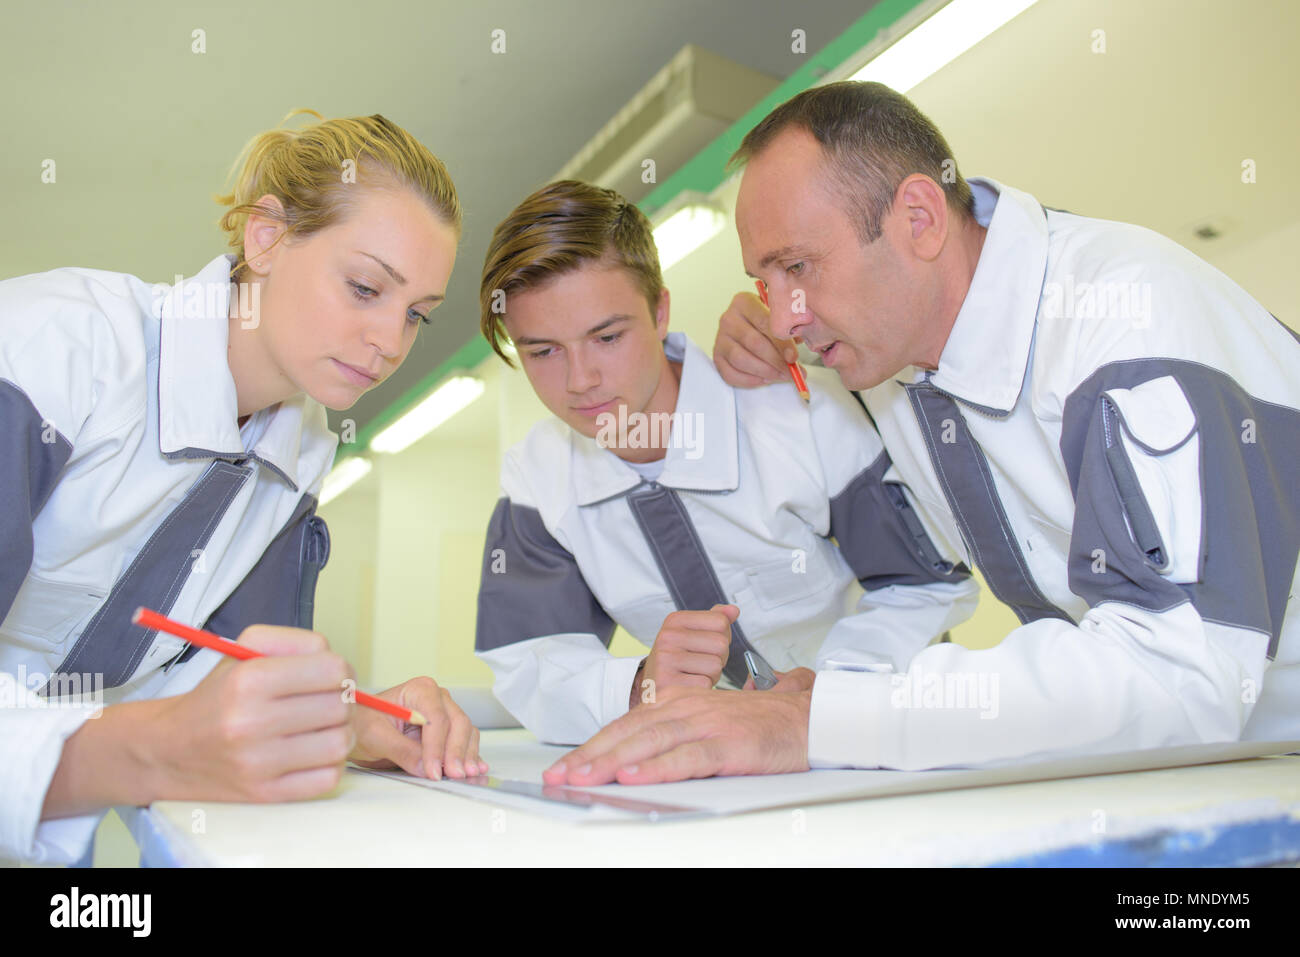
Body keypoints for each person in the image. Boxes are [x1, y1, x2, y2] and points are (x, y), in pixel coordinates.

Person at [542, 81, 1300, 787]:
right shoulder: (894, 373)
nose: (780, 319)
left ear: (919, 219)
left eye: (797, 267)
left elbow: (1181, 675)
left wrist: (822, 718)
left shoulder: (1125, 319)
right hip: (1221, 765)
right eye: (764, 284)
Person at [0, 110, 484, 865]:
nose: (391, 342)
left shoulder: (301, 454)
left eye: (416, 314)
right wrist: (146, 750)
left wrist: (346, 720)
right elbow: (157, 730)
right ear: (266, 236)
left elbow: (204, 674)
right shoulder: (55, 348)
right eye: (364, 287)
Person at [473, 179, 976, 744]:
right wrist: (640, 684)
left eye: (607, 337)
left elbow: (926, 584)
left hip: (876, 735)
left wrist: (838, 689)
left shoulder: (797, 410)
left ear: (659, 311)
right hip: (722, 766)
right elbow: (531, 663)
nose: (580, 379)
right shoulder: (537, 481)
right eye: (543, 351)